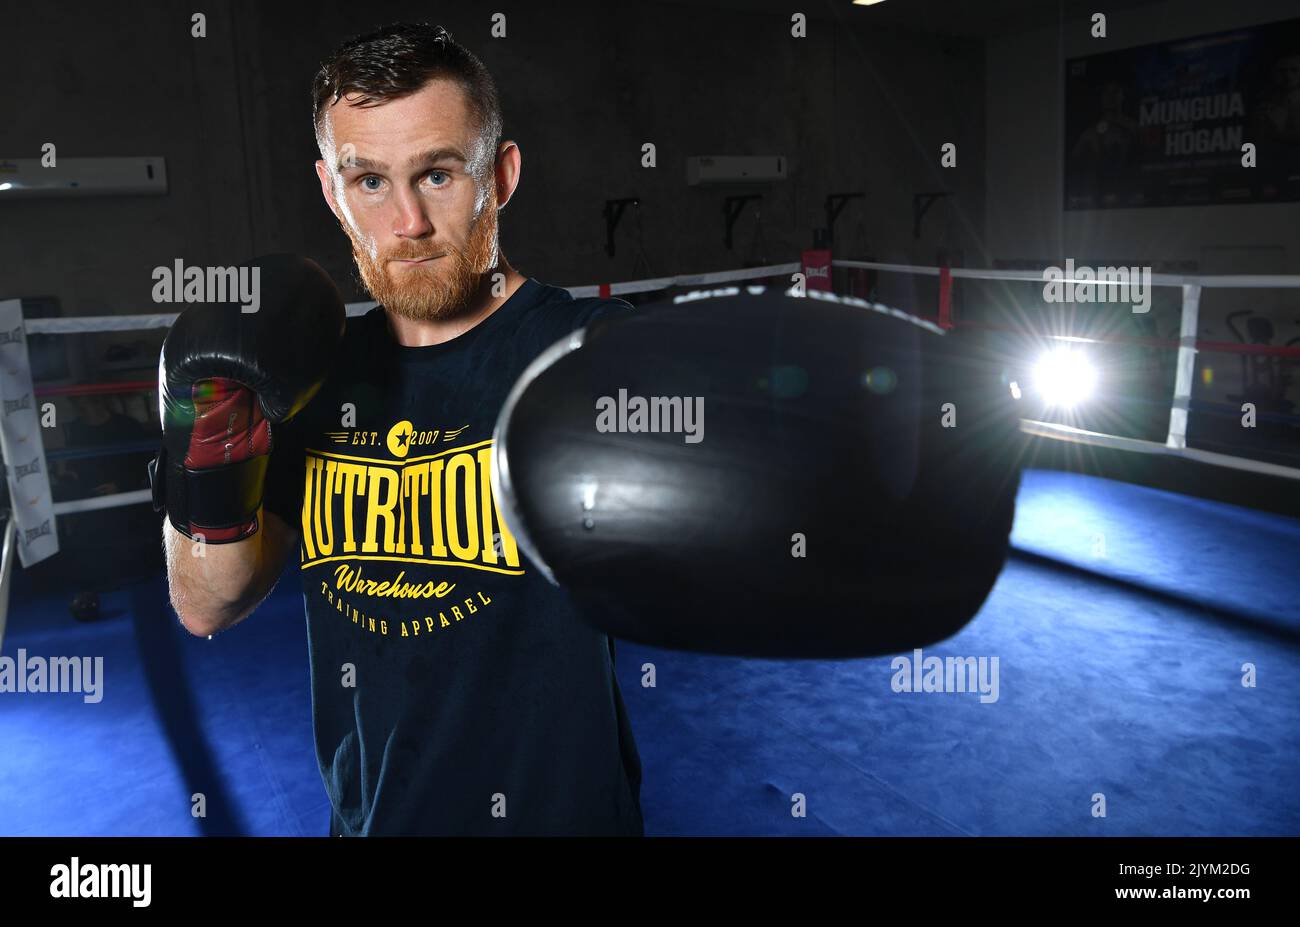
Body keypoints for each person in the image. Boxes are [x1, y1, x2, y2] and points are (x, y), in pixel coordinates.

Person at [158, 23, 643, 836]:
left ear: (502, 174)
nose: (408, 221)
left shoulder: (591, 351)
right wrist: (203, 438)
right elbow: (207, 604)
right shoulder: (307, 379)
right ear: (330, 190)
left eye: (439, 174)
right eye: (371, 181)